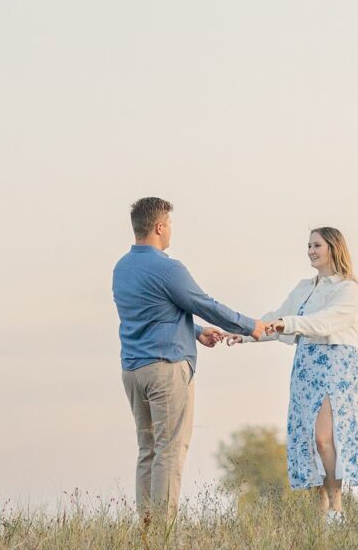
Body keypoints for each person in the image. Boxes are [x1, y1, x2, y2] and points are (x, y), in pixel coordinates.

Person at [111, 196, 271, 524]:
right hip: (166, 369)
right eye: (169, 224)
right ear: (158, 227)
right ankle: (163, 536)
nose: (170, 231)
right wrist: (250, 326)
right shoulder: (168, 268)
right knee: (169, 451)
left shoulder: (122, 268)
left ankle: (147, 531)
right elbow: (204, 303)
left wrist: (195, 332)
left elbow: (149, 312)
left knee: (148, 450)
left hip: (133, 370)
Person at [229, 226, 358, 524]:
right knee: (309, 441)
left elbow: (325, 322)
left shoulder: (347, 288)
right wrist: (241, 333)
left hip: (335, 364)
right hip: (306, 365)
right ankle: (319, 512)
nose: (311, 251)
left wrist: (288, 323)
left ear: (334, 248)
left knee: (325, 438)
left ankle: (337, 508)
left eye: (317, 245)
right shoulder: (303, 287)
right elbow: (275, 320)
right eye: (308, 246)